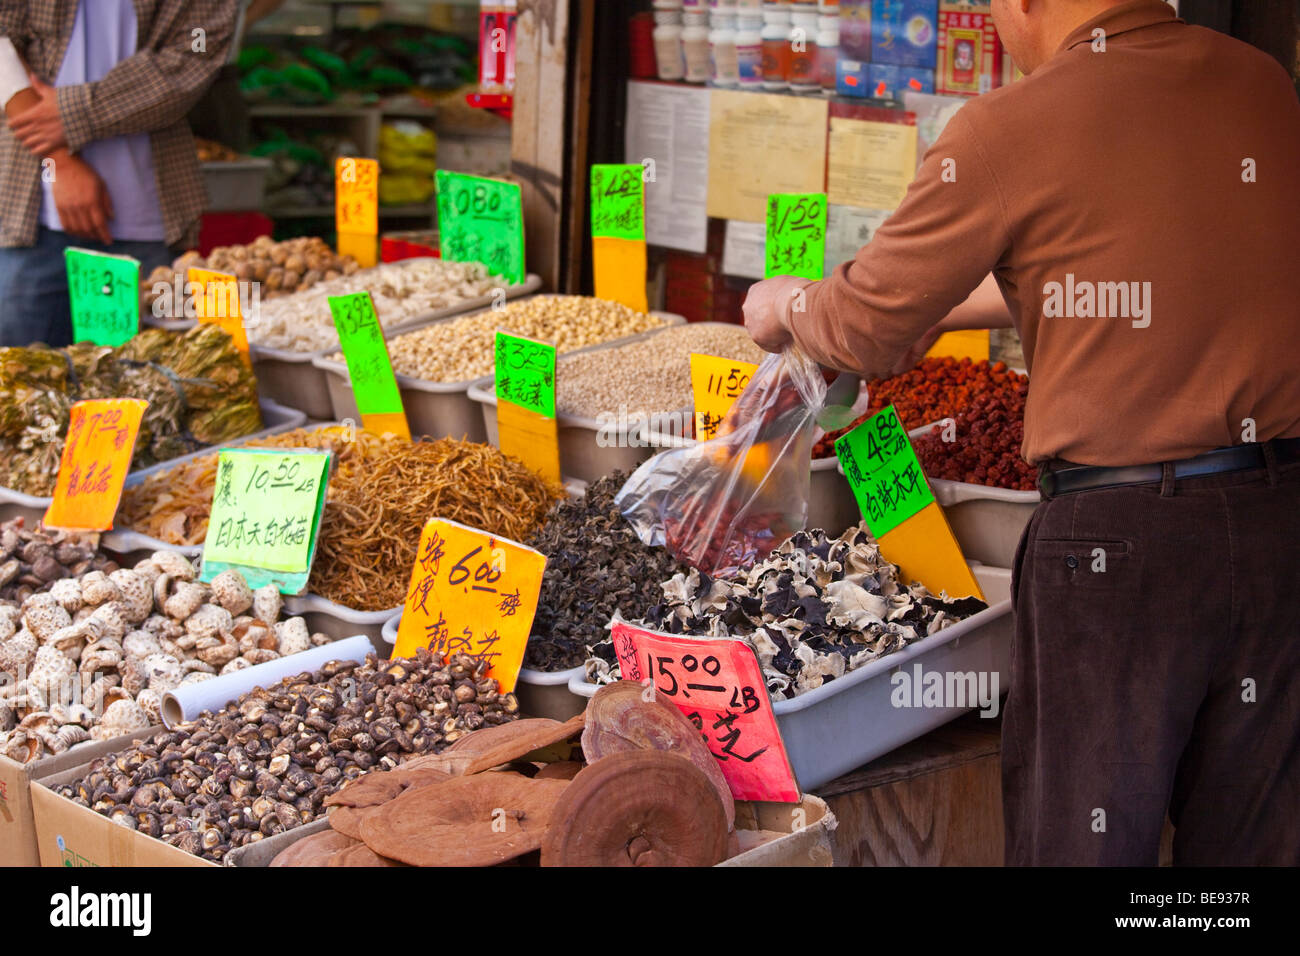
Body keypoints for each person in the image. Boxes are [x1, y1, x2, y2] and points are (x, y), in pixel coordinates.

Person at [743, 0, 1300, 866]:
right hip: (1278, 519)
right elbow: (1127, 252)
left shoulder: (1014, 124)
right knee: (1248, 854)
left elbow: (866, 329)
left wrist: (787, 304)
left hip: (1121, 547)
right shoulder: (1257, 83)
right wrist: (939, 301)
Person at [0, 0, 238, 346]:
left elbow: (197, 50)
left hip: (149, 223)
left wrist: (76, 112)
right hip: (31, 215)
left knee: (145, 385)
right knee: (21, 380)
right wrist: (59, 161)